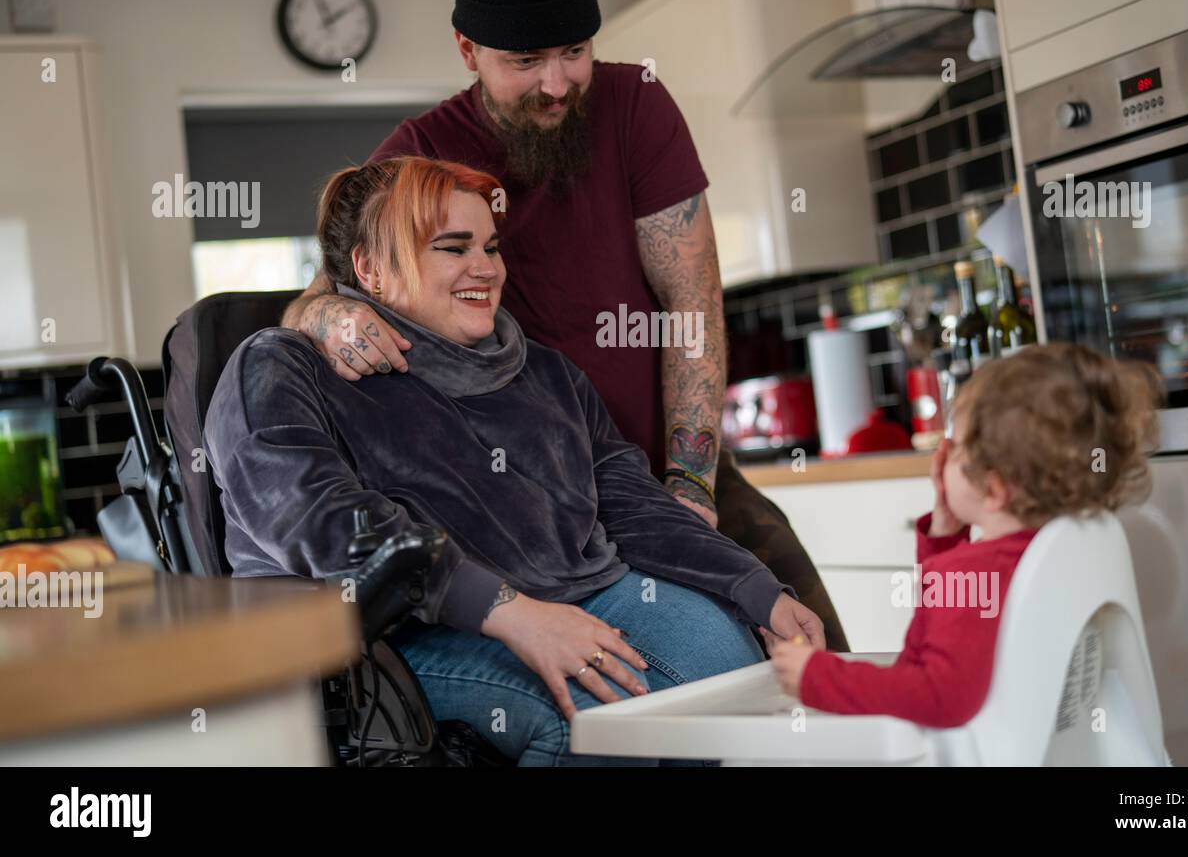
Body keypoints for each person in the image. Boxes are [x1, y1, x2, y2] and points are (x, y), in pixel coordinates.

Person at [277, 0, 850, 652]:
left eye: (574, 50)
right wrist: (333, 319)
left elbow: (690, 301)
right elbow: (312, 304)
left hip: (675, 472)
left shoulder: (635, 103)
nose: (556, 83)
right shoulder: (418, 158)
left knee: (820, 649)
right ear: (467, 49)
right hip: (538, 506)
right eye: (525, 62)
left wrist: (689, 487)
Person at [204, 156, 824, 765]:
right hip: (377, 638)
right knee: (590, 721)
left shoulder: (549, 374)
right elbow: (322, 522)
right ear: (370, 268)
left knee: (733, 668)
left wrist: (755, 589)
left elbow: (633, 505)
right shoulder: (281, 366)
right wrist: (508, 611)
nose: (485, 268)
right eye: (453, 248)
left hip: (572, 593)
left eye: (491, 247)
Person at [769, 343, 1162, 725]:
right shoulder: (1071, 548)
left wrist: (817, 676)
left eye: (956, 449)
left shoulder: (980, 569)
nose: (942, 455)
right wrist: (944, 536)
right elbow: (951, 636)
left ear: (992, 489)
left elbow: (938, 693)